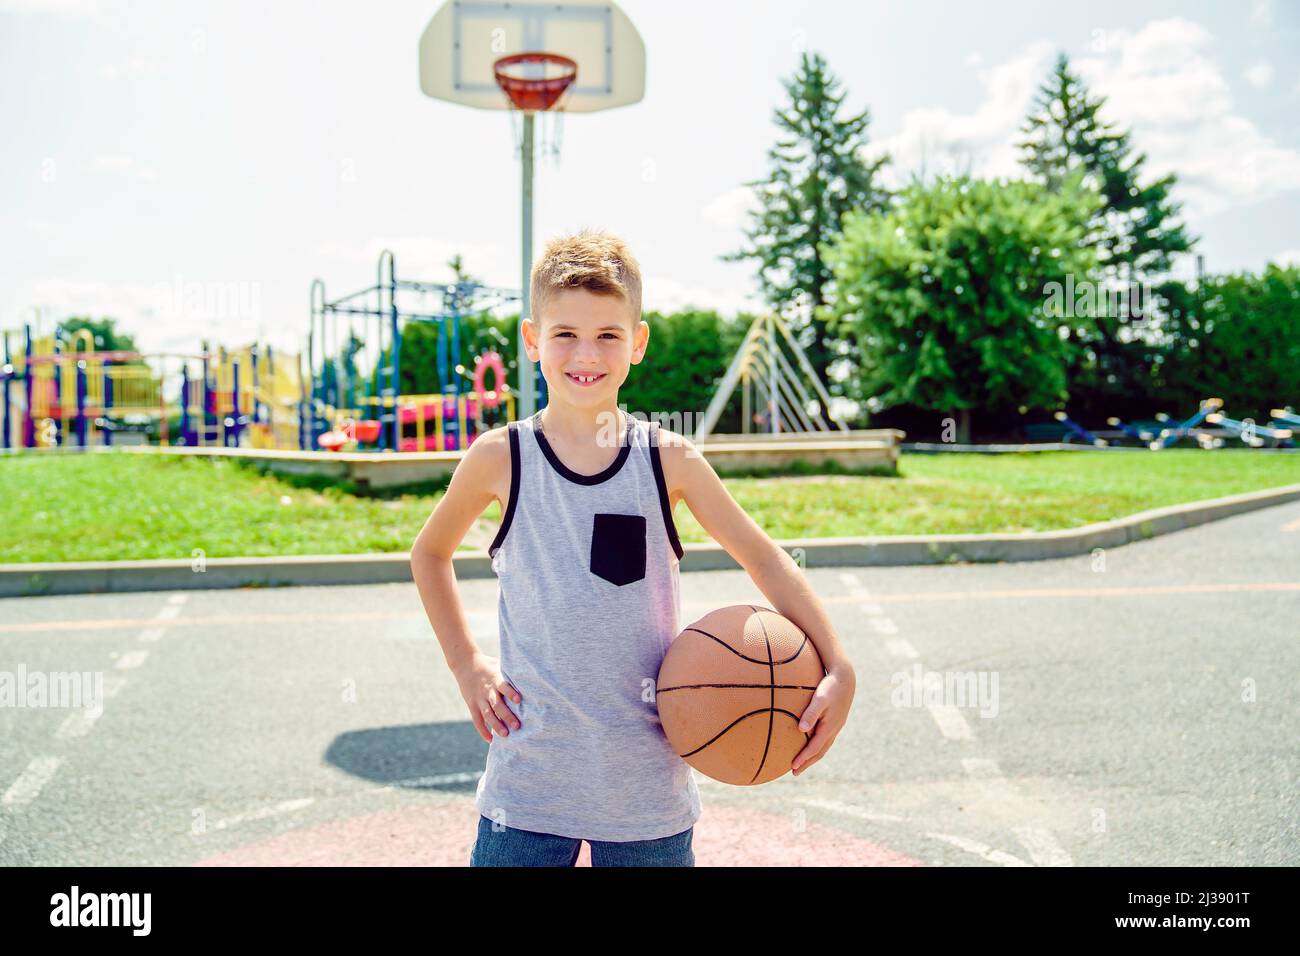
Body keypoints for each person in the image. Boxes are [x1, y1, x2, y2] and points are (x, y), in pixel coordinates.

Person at [409, 228, 856, 866]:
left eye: (608, 335)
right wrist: (465, 665)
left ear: (637, 343)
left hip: (648, 790)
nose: (584, 352)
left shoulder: (667, 460)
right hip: (529, 783)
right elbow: (429, 554)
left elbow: (764, 558)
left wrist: (838, 663)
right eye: (564, 333)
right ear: (532, 339)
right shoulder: (499, 457)